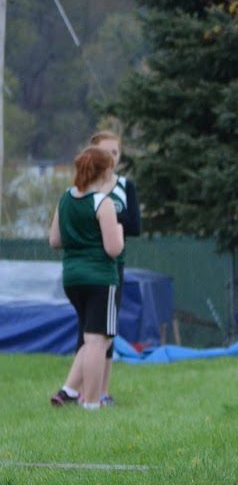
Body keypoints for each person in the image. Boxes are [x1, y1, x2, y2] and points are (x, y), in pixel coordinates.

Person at [50, 128, 140, 407]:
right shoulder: (103, 202)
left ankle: (71, 391)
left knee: (90, 337)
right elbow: (114, 248)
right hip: (101, 277)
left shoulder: (65, 198)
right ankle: (91, 400)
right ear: (103, 173)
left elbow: (55, 240)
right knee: (98, 341)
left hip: (72, 277)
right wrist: (119, 232)